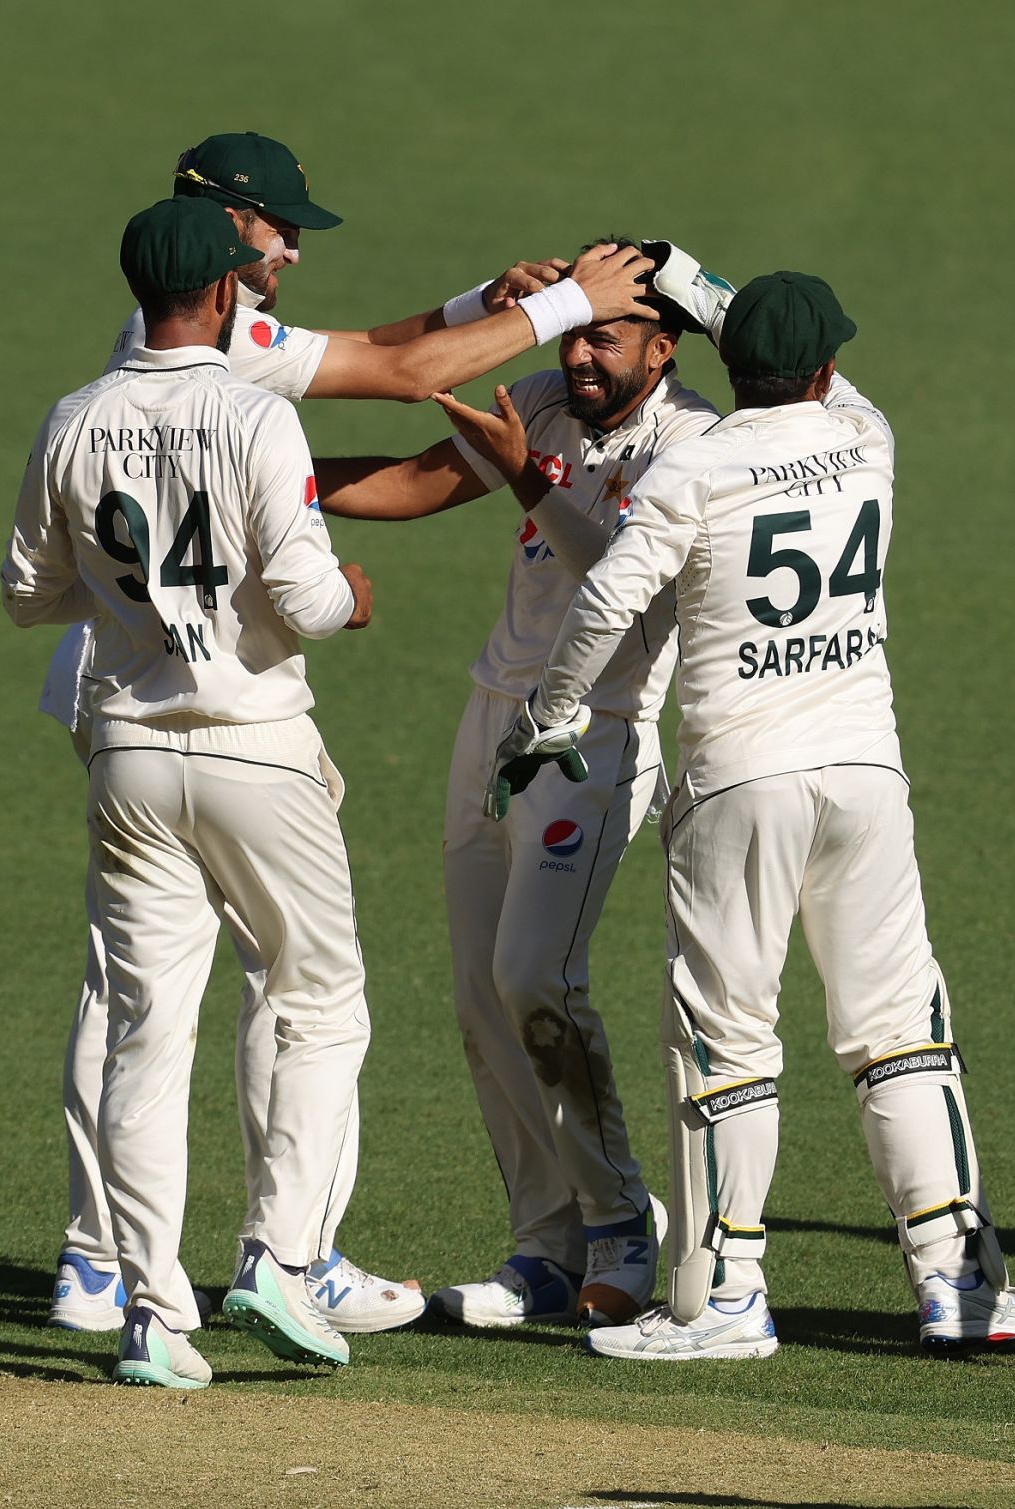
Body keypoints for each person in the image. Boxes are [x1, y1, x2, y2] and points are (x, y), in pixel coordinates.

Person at [43, 131, 657, 1338]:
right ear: (224, 227)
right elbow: (406, 372)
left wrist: (489, 302)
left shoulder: (187, 323)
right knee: (291, 987)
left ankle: (104, 1270)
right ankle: (286, 1255)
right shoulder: (220, 340)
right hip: (211, 692)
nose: (290, 251)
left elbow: (383, 347)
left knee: (136, 992)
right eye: (278, 229)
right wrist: (570, 304)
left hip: (121, 686)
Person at [495, 269, 1015, 1358]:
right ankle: (960, 1286)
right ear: (826, 368)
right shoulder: (865, 435)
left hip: (741, 778)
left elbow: (609, 595)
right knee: (901, 1029)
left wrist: (550, 714)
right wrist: (683, 271)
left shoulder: (696, 463)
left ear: (728, 366)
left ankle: (723, 1298)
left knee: (725, 1036)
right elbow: (777, 348)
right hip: (866, 773)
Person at [4, 195, 392, 1387]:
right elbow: (310, 602)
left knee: (144, 1031)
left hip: (126, 750)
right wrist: (355, 598)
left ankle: (149, 1315)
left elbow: (28, 594)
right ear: (226, 291)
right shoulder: (255, 415)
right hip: (255, 747)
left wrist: (140, 614)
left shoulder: (75, 416)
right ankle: (279, 1255)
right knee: (318, 1000)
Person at [314, 240, 732, 1327]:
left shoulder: (696, 445)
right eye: (574, 332)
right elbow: (419, 478)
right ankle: (545, 1245)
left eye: (606, 337)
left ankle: (620, 1223)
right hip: (493, 717)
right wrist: (269, 479)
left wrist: (529, 477)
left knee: (534, 977)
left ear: (663, 347)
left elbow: (637, 597)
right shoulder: (542, 399)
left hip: (596, 735)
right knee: (479, 995)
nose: (579, 356)